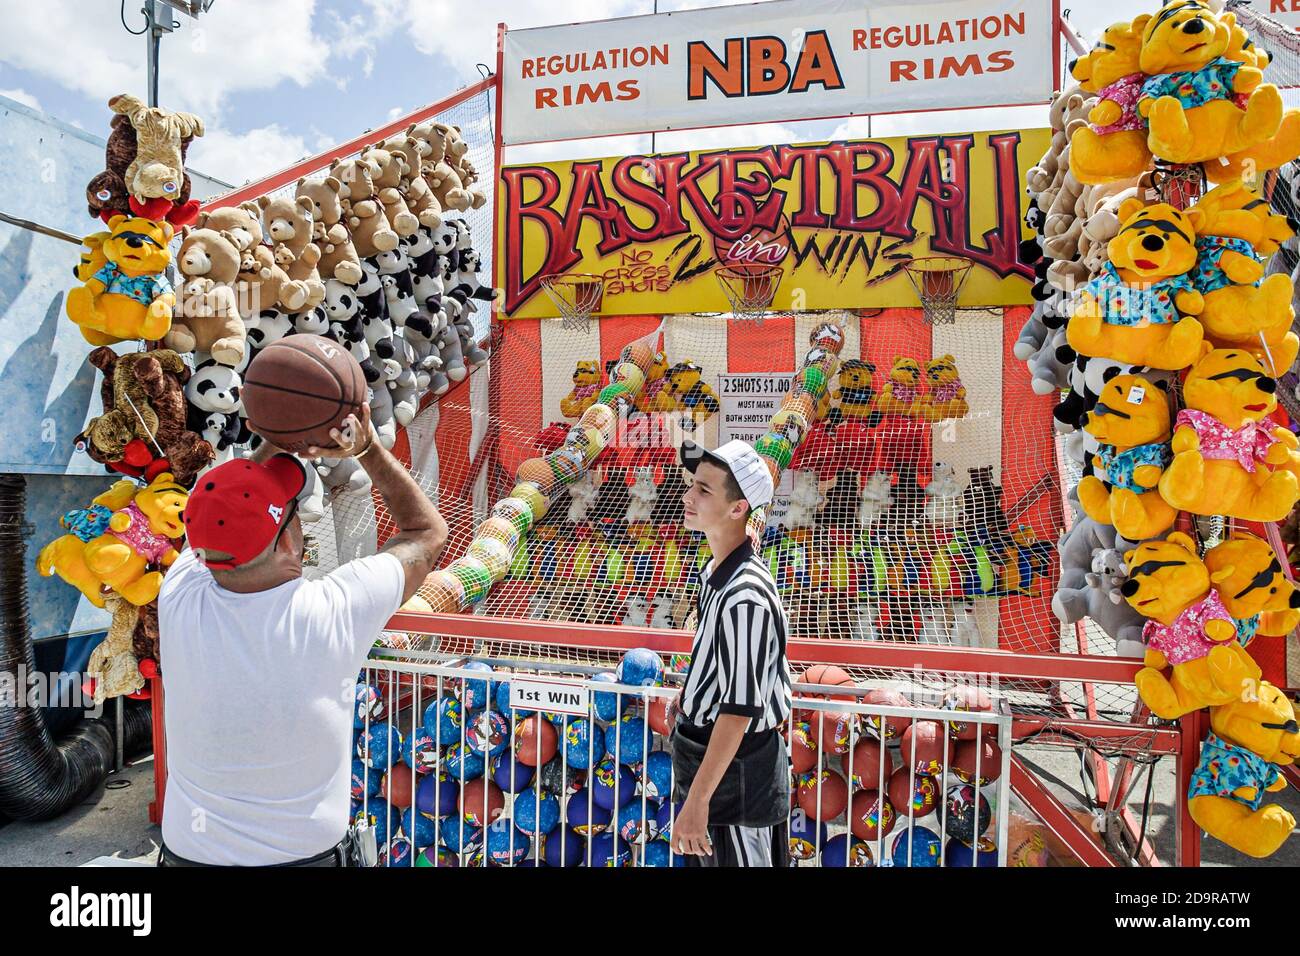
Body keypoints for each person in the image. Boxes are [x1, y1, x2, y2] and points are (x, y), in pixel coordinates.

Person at [156, 404, 447, 866]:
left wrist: (278, 436)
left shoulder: (178, 593)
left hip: (185, 856)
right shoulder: (332, 610)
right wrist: (366, 447)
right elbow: (426, 532)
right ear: (290, 541)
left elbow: (226, 513)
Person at [668, 439, 792, 867]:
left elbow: (739, 712)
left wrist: (698, 804)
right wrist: (692, 695)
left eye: (703, 490)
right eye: (692, 485)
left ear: (738, 509)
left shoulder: (745, 596)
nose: (688, 496)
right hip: (716, 770)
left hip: (736, 785)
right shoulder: (716, 574)